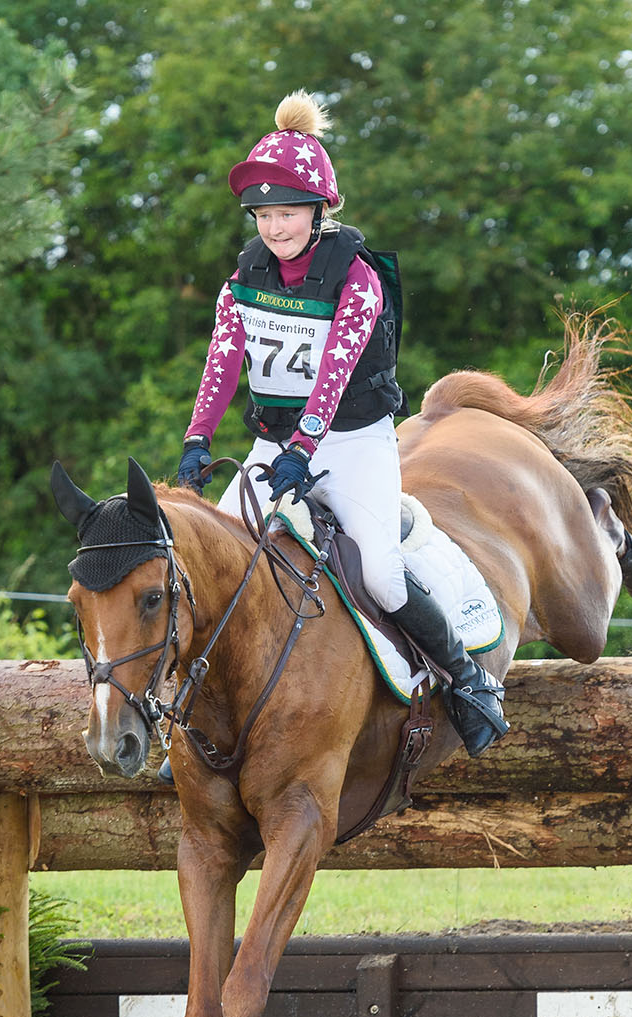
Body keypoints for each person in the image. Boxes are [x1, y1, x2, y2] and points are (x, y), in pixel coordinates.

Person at [169, 91, 508, 779]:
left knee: (379, 572)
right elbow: (223, 362)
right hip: (273, 445)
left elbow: (333, 374)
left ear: (320, 211)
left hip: (351, 442)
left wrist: (303, 450)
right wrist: (198, 440)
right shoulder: (244, 278)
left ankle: (468, 682)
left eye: (287, 213)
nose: (275, 227)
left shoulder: (356, 280)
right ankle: (178, 710)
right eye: (264, 215)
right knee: (209, 568)